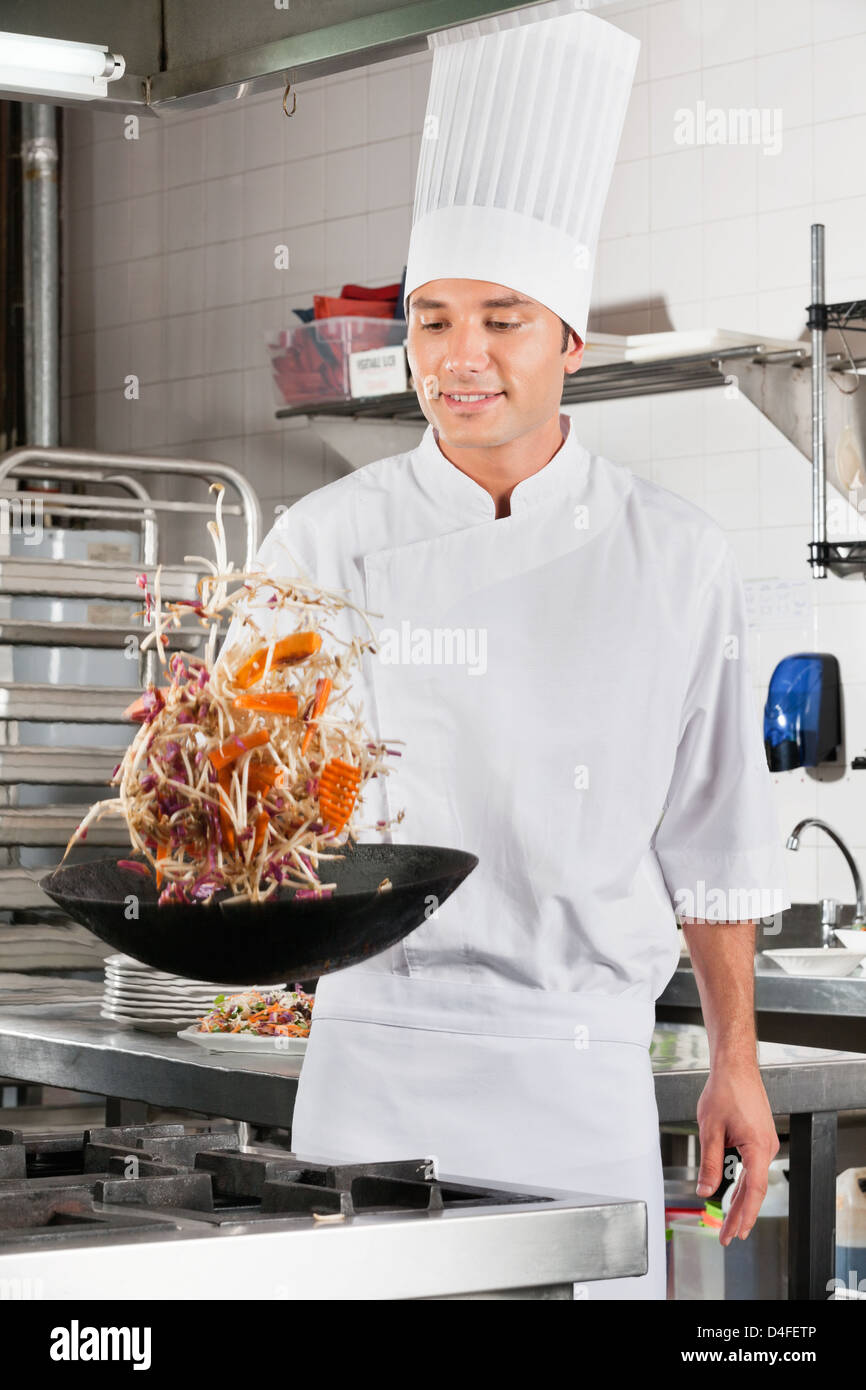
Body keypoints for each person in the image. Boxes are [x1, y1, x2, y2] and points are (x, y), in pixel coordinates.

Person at [228, 4, 791, 1298]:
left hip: (575, 1066)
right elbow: (252, 815)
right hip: (372, 1062)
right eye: (431, 320)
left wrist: (735, 1059)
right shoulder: (322, 539)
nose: (460, 357)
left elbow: (711, 839)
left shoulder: (674, 554)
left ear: (568, 343)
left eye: (502, 318)